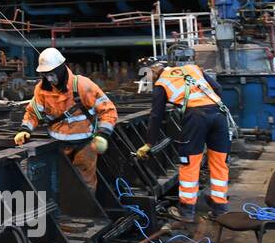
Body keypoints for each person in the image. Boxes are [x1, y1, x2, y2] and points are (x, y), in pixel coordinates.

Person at [136, 57, 230, 222]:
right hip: (219, 114)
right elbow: (218, 88)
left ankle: (186, 212)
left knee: (190, 164)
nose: (147, 79)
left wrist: (149, 143)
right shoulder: (192, 68)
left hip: (196, 119)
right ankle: (220, 209)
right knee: (219, 163)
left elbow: (156, 115)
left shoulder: (162, 84)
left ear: (153, 70)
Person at [13, 47, 117, 191]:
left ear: (61, 69)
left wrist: (103, 134)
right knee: (58, 184)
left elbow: (108, 110)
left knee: (84, 185)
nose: (49, 79)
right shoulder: (42, 90)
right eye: (45, 75)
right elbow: (32, 112)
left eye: (51, 74)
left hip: (84, 144)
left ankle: (86, 210)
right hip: (57, 145)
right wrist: (25, 129)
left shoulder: (83, 85)